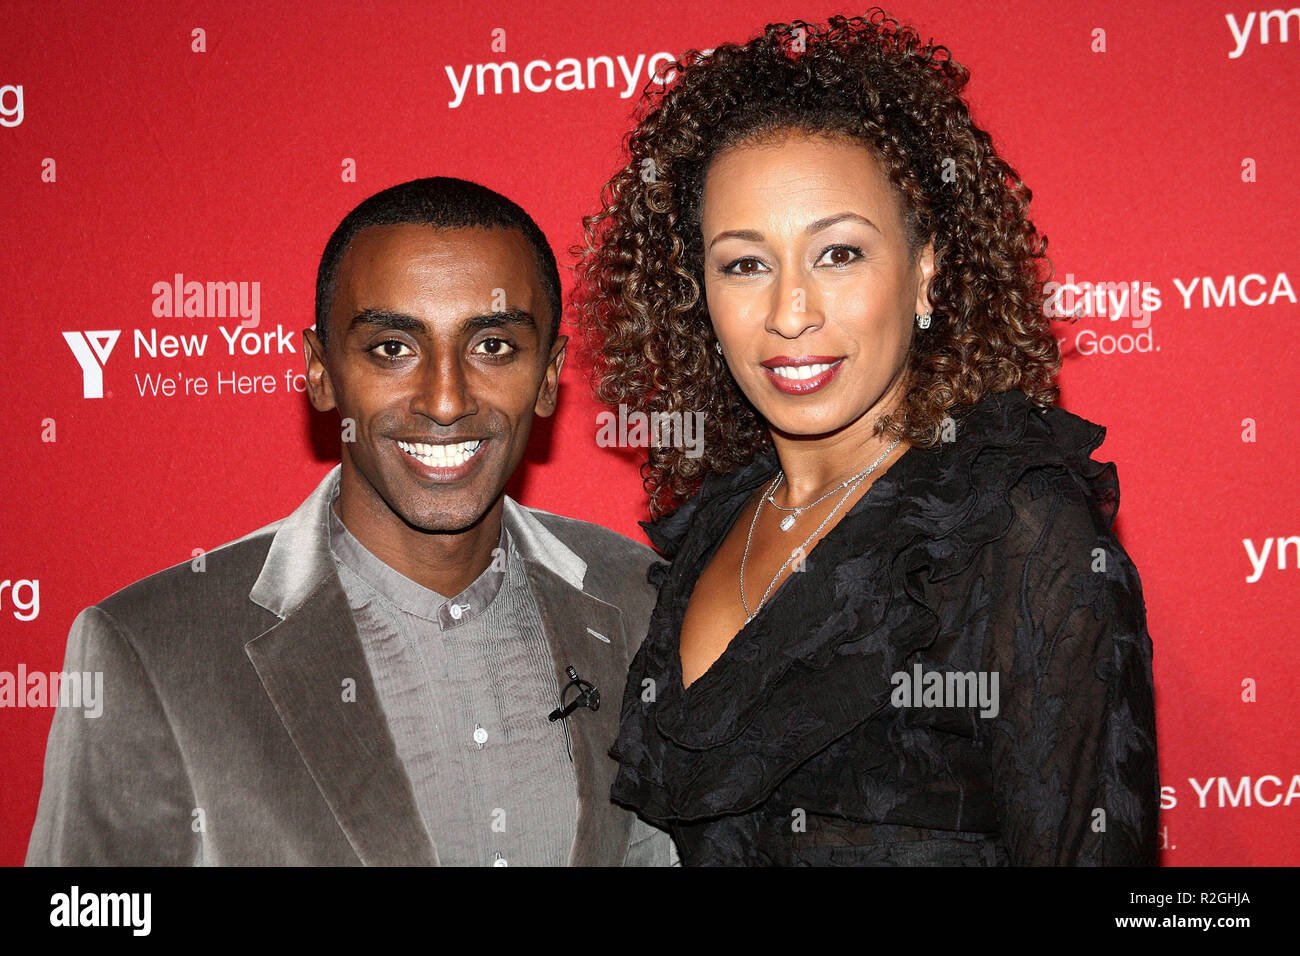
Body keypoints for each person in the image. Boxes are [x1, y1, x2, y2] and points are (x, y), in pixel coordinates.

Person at [575, 11, 1159, 865]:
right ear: (696, 291)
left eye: (839, 254)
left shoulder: (1016, 532)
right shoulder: (710, 529)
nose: (790, 311)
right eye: (744, 263)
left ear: (925, 267)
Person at [27, 177, 671, 867]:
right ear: (320, 371)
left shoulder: (643, 600)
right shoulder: (151, 650)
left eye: (492, 347)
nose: (446, 399)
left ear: (548, 377)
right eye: (393, 347)